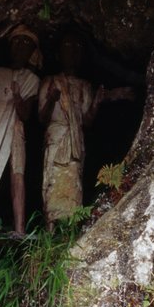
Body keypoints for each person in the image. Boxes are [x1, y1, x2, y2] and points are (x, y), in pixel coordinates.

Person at [0, 25, 41, 234]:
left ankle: (19, 227)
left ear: (33, 52)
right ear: (9, 46)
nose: (20, 47)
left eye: (26, 43)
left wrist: (18, 97)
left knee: (17, 175)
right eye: (16, 42)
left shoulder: (32, 80)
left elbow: (26, 114)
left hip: (15, 130)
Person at [38, 33, 104, 229]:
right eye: (67, 47)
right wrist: (52, 100)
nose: (72, 52)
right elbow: (41, 117)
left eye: (77, 48)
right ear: (58, 54)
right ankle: (50, 230)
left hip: (75, 141)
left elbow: (87, 121)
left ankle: (70, 231)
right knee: (51, 181)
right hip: (56, 137)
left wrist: (96, 103)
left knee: (73, 184)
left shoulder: (84, 85)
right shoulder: (50, 81)